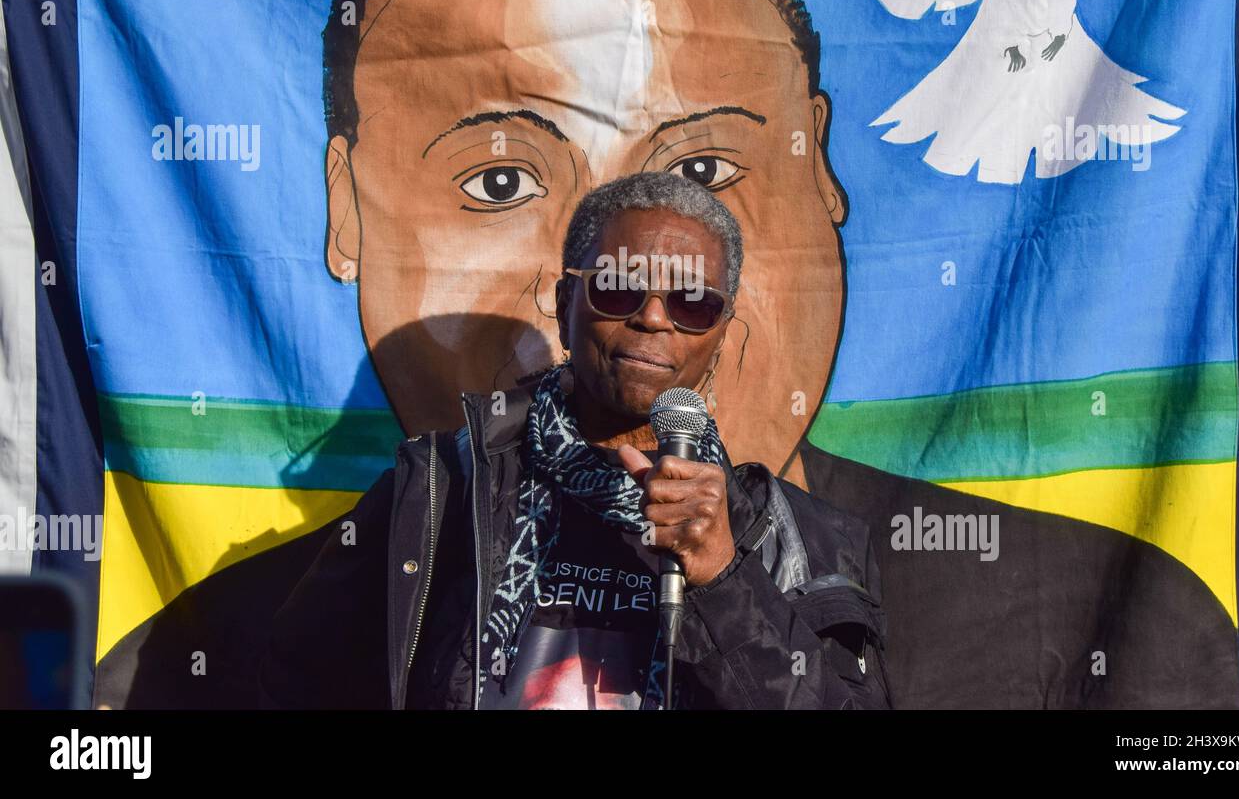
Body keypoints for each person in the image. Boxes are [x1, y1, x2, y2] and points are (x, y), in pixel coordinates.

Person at [98, 0, 1239, 709]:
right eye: (501, 177)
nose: (650, 320)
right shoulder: (423, 514)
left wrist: (723, 575)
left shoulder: (827, 546)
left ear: (816, 176)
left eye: (704, 171)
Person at [260, 172, 892, 709]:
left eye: (691, 303)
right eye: (619, 286)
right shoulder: (439, 487)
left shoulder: (793, 536)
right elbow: (293, 680)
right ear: (566, 304)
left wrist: (725, 577)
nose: (652, 317)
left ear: (720, 336)